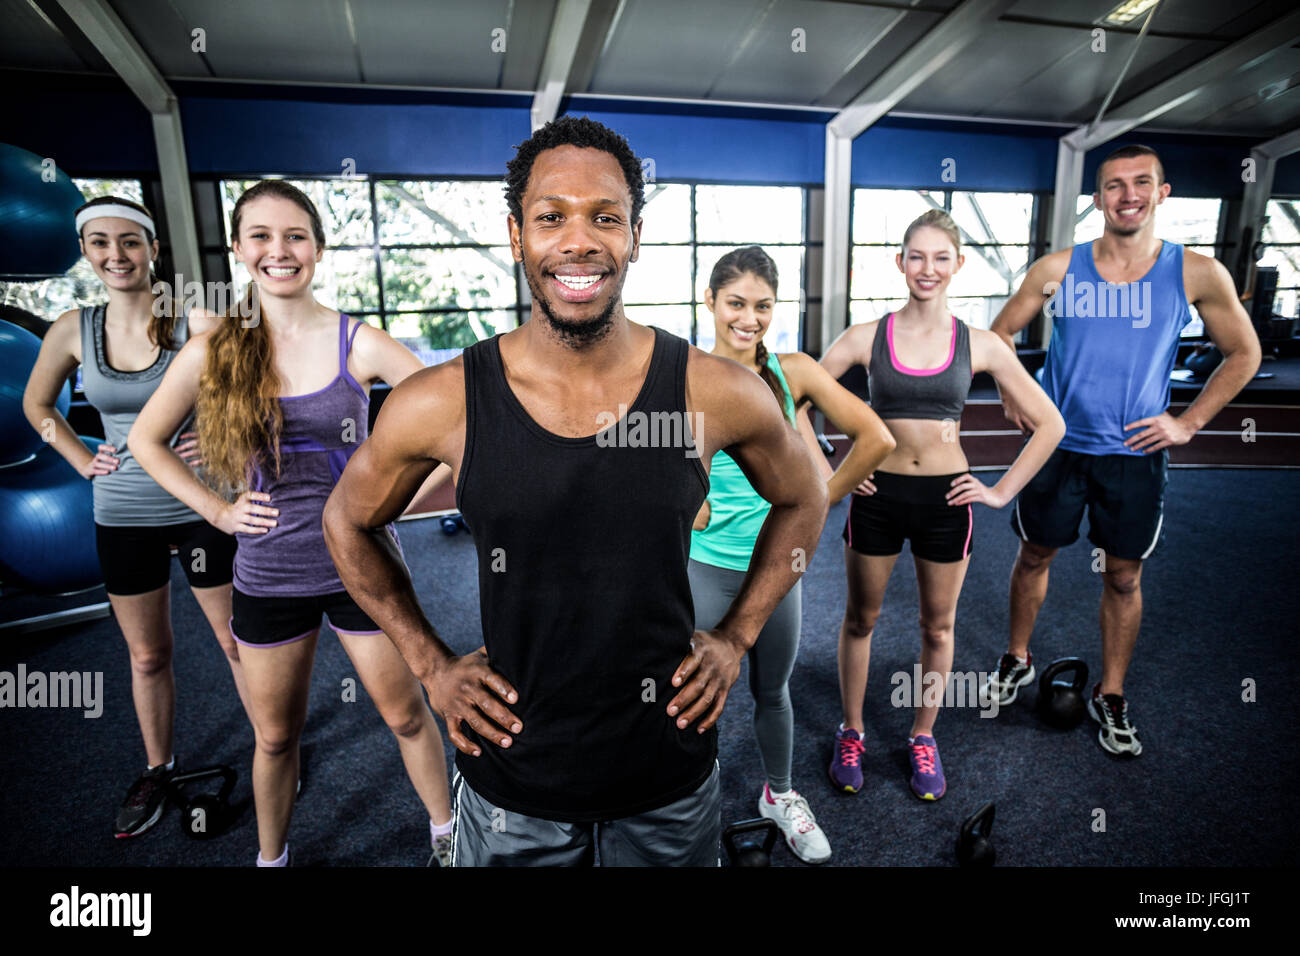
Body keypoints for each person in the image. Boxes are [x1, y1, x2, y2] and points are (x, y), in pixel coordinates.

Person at [322, 116, 827, 867]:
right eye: (551, 216)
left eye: (606, 217)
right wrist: (429, 663)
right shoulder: (444, 399)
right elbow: (345, 522)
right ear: (516, 233)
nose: (579, 241)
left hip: (667, 773)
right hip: (514, 780)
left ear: (636, 234)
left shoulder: (715, 391)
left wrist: (736, 637)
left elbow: (805, 496)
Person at [129, 180, 454, 866]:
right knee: (275, 738)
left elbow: (451, 422)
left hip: (364, 568)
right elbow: (144, 441)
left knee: (404, 714)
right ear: (241, 250)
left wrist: (389, 501)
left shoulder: (357, 341)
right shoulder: (215, 351)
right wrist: (217, 510)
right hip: (270, 573)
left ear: (318, 248)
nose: (280, 250)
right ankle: (271, 859)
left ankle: (448, 835)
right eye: (262, 236)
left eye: (296, 235)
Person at [984, 145, 1260, 756]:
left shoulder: (1196, 273)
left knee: (1124, 575)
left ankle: (1111, 694)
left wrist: (1189, 422)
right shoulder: (1057, 268)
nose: (1127, 194)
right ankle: (1017, 658)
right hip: (1058, 447)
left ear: (1162, 193)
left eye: (1141, 183)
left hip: (1135, 455)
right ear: (1098, 197)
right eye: (1114, 185)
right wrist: (1014, 394)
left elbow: (1246, 352)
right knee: (1034, 554)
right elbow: (998, 336)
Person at [22, 195, 251, 838]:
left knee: (236, 641)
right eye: (100, 243)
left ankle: (274, 747)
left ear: (152, 249)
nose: (115, 255)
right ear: (86, 251)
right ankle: (158, 766)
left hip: (203, 503)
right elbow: (38, 404)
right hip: (122, 509)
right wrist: (81, 458)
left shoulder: (196, 318)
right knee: (148, 656)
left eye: (129, 242)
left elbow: (256, 385)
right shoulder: (72, 328)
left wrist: (225, 433)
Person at [819, 209, 1064, 800]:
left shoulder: (978, 344)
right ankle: (851, 729)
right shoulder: (865, 336)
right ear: (900, 262)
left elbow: (1050, 424)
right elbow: (795, 399)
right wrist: (832, 472)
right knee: (860, 619)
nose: (927, 269)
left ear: (958, 266)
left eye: (940, 258)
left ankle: (923, 736)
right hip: (878, 495)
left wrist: (1001, 491)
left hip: (947, 500)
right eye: (917, 257)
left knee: (939, 626)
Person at [689, 245, 894, 863]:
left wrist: (815, 504)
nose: (748, 318)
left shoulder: (791, 371)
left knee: (771, 690)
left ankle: (779, 795)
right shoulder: (685, 372)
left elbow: (876, 437)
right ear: (710, 302)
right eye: (735, 304)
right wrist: (686, 501)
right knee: (694, 696)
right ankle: (689, 813)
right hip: (703, 567)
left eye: (762, 306)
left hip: (779, 569)